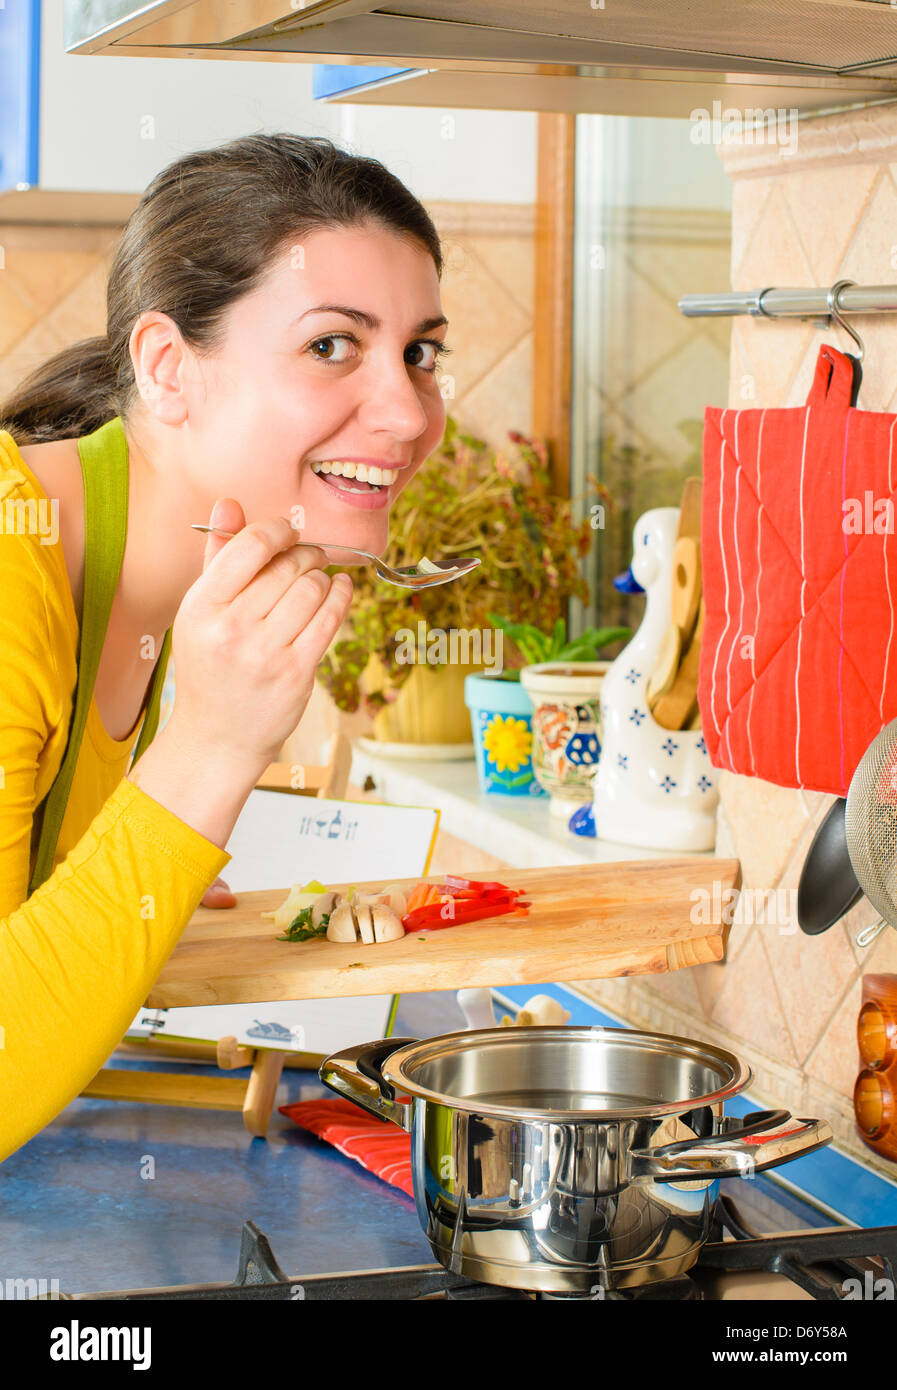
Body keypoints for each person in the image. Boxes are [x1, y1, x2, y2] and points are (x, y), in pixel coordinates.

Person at [0, 132, 449, 1162]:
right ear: (168, 368)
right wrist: (204, 754)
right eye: (333, 344)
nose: (409, 412)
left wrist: (113, 868)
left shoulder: (180, 576)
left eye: (420, 352)